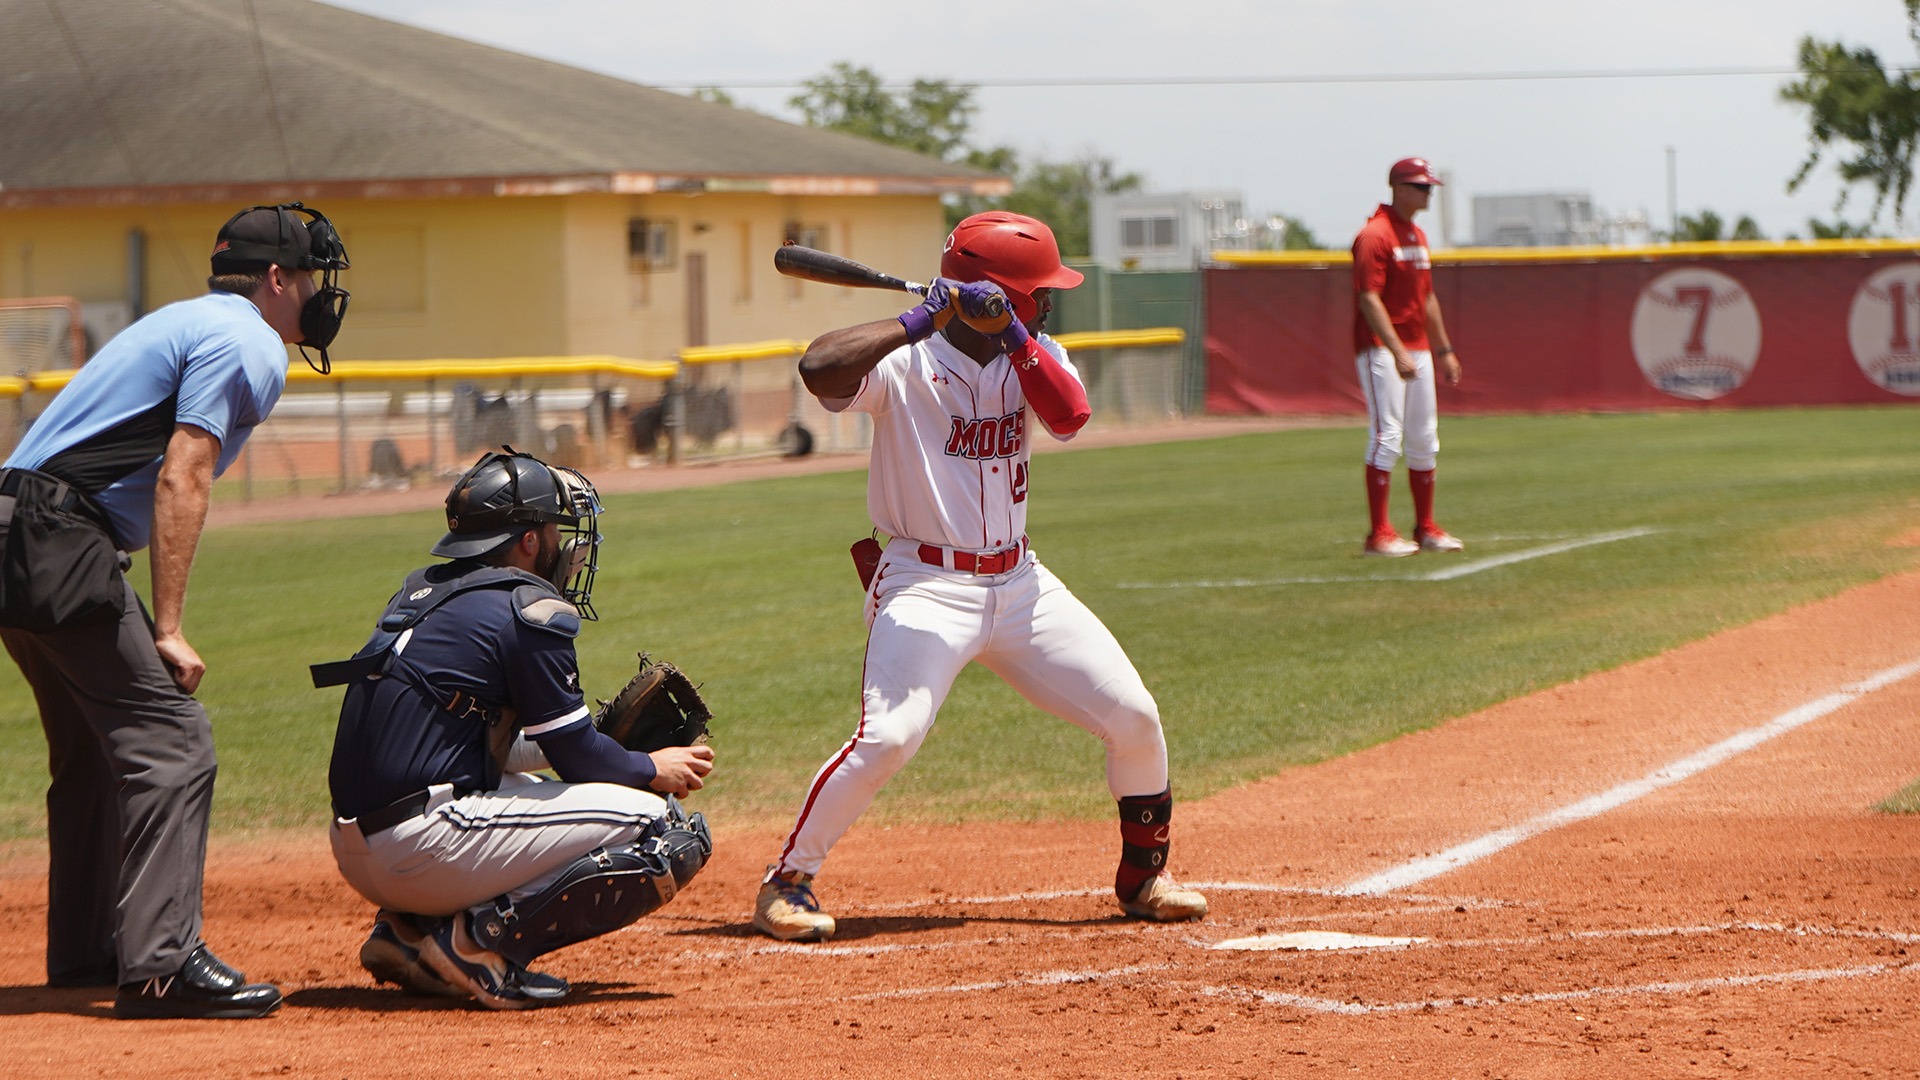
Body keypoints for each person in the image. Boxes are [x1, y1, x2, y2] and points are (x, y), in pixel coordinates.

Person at [752, 211, 1207, 942]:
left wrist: (1017, 334)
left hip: (1022, 586)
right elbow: (819, 368)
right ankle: (787, 882)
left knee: (1135, 717)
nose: (1050, 300)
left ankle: (1144, 877)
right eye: (1038, 292)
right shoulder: (903, 362)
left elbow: (1070, 415)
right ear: (996, 289)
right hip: (925, 586)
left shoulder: (1038, 348)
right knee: (891, 736)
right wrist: (920, 316)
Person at [0, 203, 351, 1019]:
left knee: (94, 749)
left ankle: (89, 951)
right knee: (172, 740)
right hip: (58, 536)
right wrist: (166, 625)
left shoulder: (189, 317)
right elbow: (183, 473)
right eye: (308, 278)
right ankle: (159, 966)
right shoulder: (250, 339)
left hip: (16, 524)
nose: (316, 294)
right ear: (275, 280)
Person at [317, 450, 715, 1010]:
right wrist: (650, 766)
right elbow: (576, 759)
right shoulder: (526, 606)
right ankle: (475, 944)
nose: (562, 542)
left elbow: (479, 743)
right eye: (554, 526)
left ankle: (406, 931)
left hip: (364, 847)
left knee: (568, 791)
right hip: (424, 845)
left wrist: (601, 749)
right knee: (665, 831)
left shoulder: (425, 592)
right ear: (528, 539)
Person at [1352, 157, 1466, 558]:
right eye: (1421, 187)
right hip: (1382, 349)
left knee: (1424, 439)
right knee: (1387, 438)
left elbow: (1427, 297)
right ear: (1399, 188)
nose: (1428, 193)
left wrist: (1445, 349)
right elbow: (1369, 298)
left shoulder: (1416, 234)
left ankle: (1426, 527)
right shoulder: (1375, 235)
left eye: (1429, 187)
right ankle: (1379, 534)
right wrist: (1396, 350)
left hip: (1417, 349)